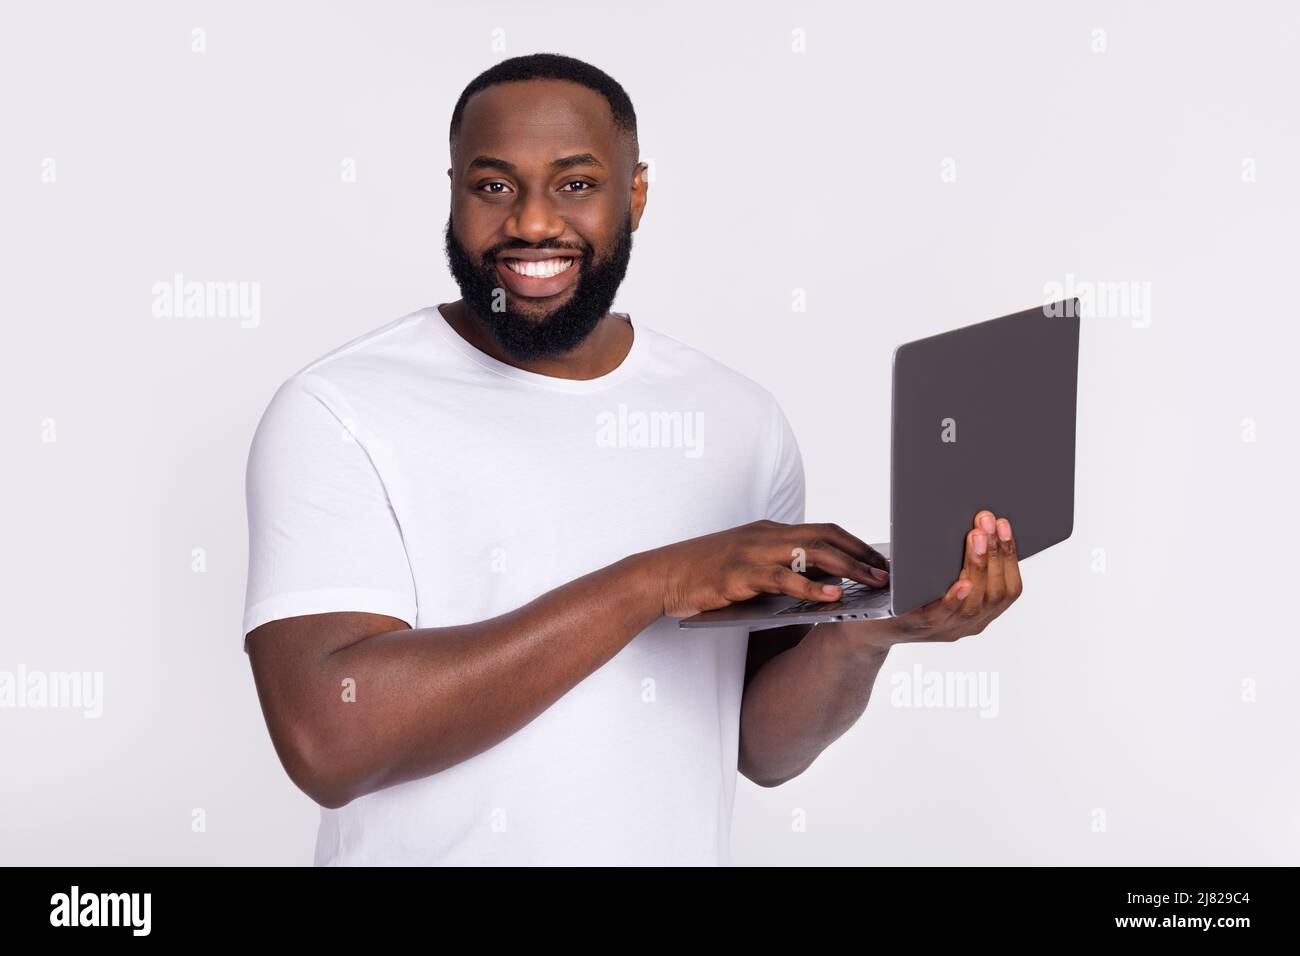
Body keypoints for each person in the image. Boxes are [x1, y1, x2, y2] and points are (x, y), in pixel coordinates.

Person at [242, 52, 1023, 865]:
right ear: (453, 191)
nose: (534, 224)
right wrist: (655, 582)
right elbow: (330, 743)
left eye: (576, 184)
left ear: (636, 194)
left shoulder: (738, 420)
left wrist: (862, 635)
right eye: (494, 186)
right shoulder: (340, 410)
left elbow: (762, 748)